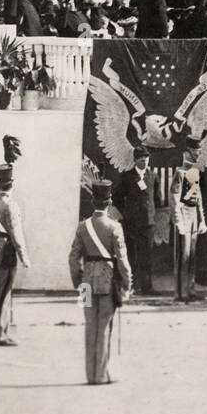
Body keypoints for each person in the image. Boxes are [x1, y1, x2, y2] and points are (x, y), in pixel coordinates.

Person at [68, 180, 131, 385]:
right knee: (104, 326)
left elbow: (73, 257)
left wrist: (78, 281)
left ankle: (90, 374)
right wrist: (127, 285)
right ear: (109, 201)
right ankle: (101, 375)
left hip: (86, 283)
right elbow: (122, 261)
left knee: (89, 326)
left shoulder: (82, 226)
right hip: (106, 280)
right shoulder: (115, 227)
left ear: (92, 200)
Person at [0, 163, 30, 346]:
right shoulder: (10, 206)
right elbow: (16, 233)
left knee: (0, 292)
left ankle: (1, 332)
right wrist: (23, 255)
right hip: (7, 251)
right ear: (12, 184)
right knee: (4, 294)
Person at [112, 146, 156, 295]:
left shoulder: (153, 176)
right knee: (131, 255)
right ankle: (130, 286)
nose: (144, 160)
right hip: (131, 224)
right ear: (135, 160)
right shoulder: (127, 177)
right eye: (141, 157)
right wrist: (126, 214)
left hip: (148, 223)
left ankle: (147, 287)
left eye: (146, 157)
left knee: (147, 256)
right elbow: (117, 197)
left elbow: (158, 198)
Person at [169, 144, 206, 302]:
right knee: (183, 256)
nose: (198, 153)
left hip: (194, 216)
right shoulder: (179, 172)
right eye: (196, 151)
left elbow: (198, 198)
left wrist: (202, 219)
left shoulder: (194, 172)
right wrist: (179, 221)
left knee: (192, 255)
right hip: (184, 214)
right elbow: (174, 199)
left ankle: (190, 289)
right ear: (188, 152)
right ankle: (180, 293)